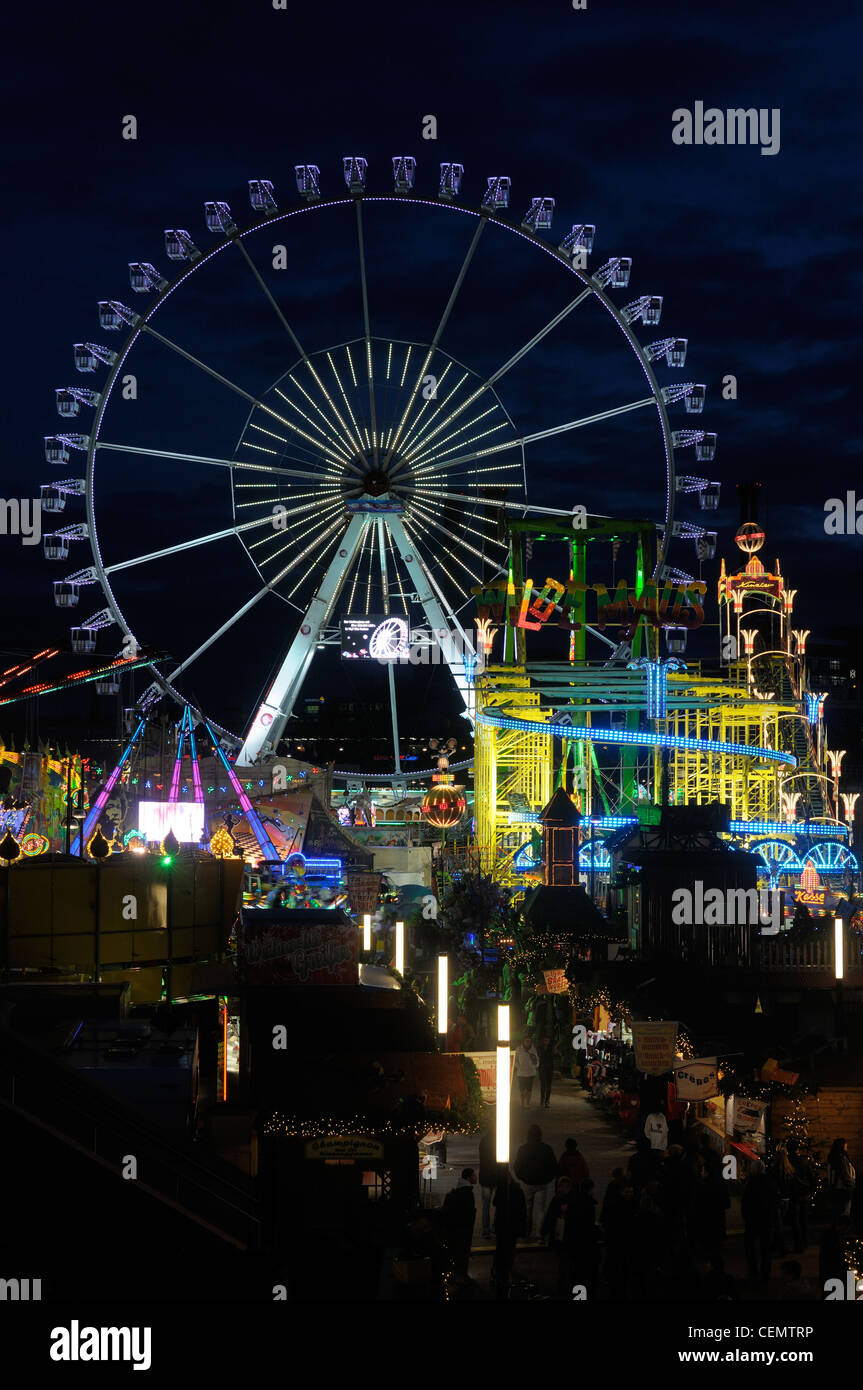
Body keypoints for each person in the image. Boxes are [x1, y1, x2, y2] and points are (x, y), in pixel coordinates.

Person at [513, 1124, 559, 1238]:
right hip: (542, 1183)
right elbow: (553, 1166)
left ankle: (526, 1232)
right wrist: (548, 1178)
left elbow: (517, 1166)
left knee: (527, 1210)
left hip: (527, 1183)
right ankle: (540, 1233)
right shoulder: (546, 1149)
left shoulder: (523, 1149)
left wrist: (522, 1178)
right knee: (541, 1209)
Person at [741, 1160, 780, 1286]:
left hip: (752, 1220)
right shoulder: (770, 1182)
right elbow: (774, 1202)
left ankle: (753, 1272)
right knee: (766, 1250)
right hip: (766, 1221)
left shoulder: (750, 1183)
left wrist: (746, 1217)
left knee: (750, 1249)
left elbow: (745, 1203)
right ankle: (765, 1275)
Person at [492, 1170, 527, 1298]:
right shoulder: (518, 1190)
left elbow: (495, 1203)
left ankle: (500, 1271)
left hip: (502, 1226)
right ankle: (506, 1271)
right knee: (510, 1248)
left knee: (501, 1247)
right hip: (513, 1226)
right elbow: (522, 1210)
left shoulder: (502, 1190)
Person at [441, 1168, 477, 1280]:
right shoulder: (467, 1193)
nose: (476, 1177)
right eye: (474, 1175)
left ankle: (457, 1275)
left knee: (457, 1253)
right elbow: (468, 1214)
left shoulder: (456, 1191)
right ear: (468, 1178)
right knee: (462, 1254)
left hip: (455, 1230)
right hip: (463, 1230)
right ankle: (461, 1277)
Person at [827, 1137, 856, 1219]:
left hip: (836, 1186)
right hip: (843, 1186)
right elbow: (844, 1172)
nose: (847, 1145)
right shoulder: (841, 1158)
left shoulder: (833, 1156)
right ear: (842, 1145)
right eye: (845, 1144)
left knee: (837, 1209)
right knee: (844, 1210)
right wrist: (850, 1184)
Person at [477, 1129, 498, 1239]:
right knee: (499, 1204)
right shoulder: (498, 1142)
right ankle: (495, 1228)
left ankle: (486, 1230)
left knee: (486, 1206)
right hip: (496, 1177)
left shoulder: (484, 1142)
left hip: (485, 1177)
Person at [515, 1035, 539, 1108]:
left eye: (529, 1041)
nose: (527, 1042)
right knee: (522, 1089)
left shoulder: (533, 1049)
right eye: (526, 1041)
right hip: (521, 1073)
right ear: (523, 1041)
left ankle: (527, 1103)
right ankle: (522, 1103)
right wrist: (518, 1066)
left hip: (530, 1072)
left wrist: (534, 1066)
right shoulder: (518, 1049)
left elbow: (537, 1059)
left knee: (529, 1089)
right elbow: (515, 1060)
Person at [537, 1034, 555, 1108]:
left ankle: (547, 1101)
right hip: (542, 1067)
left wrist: (555, 1052)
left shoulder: (551, 1048)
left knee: (548, 1085)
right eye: (545, 1040)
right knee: (543, 1084)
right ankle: (542, 1100)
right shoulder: (539, 1048)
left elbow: (555, 1056)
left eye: (547, 1040)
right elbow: (539, 1056)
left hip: (549, 1068)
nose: (546, 1042)